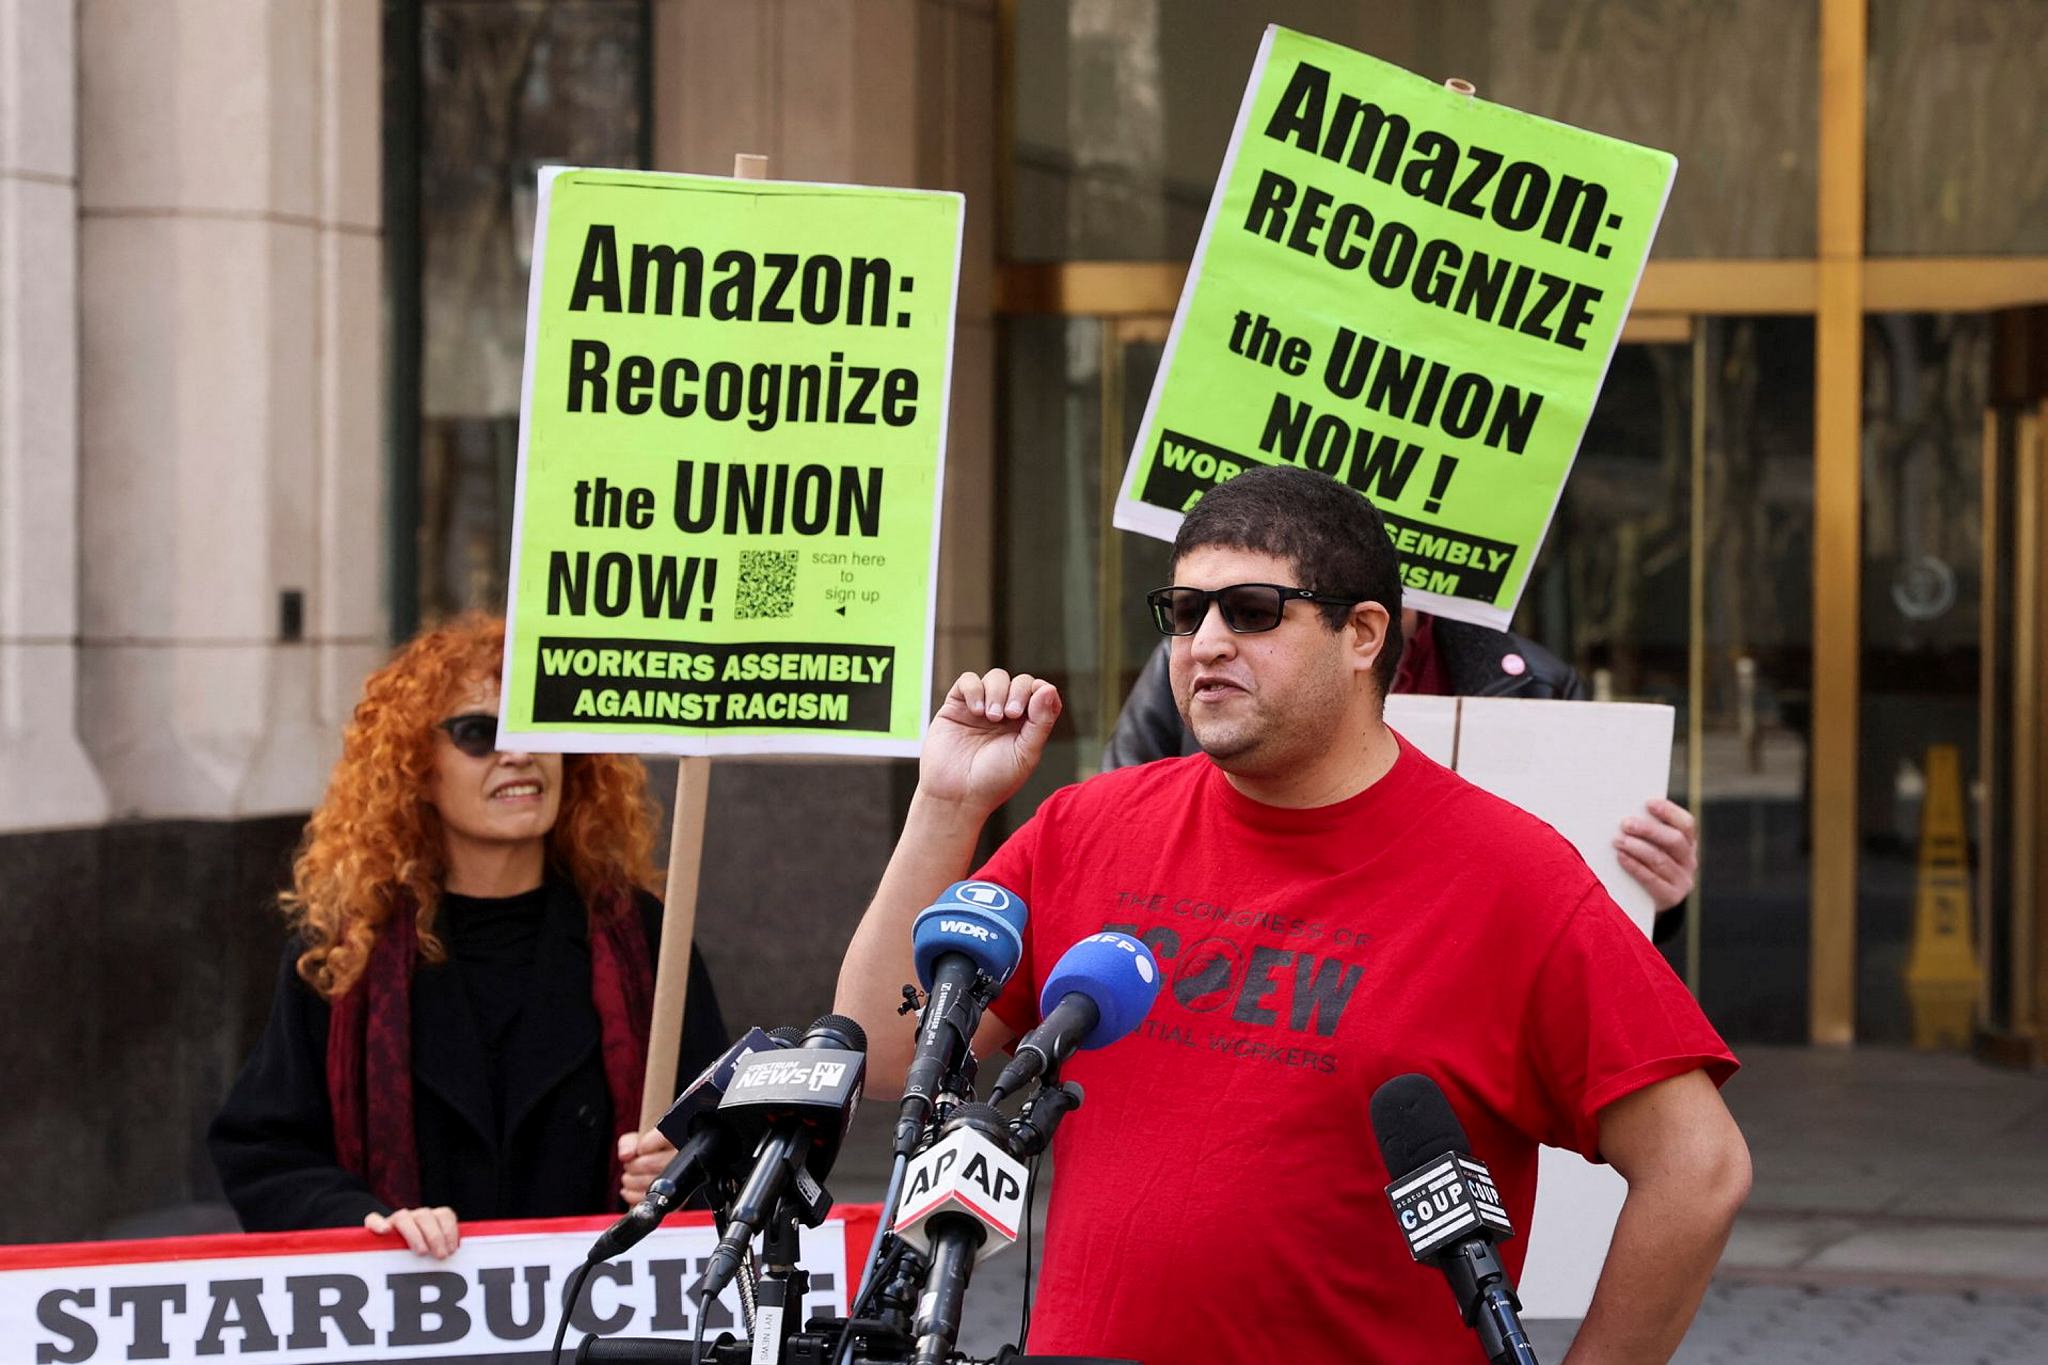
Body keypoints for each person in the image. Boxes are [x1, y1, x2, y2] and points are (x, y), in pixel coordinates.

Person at [836, 467, 1748, 1363]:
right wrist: (947, 807)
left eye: (1254, 610)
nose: (1206, 643)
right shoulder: (1089, 825)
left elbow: (1697, 1168)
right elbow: (883, 1049)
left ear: (1363, 633)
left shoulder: (1514, 874)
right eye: (1186, 613)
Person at [210, 614, 728, 1258]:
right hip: (415, 1330)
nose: (518, 753)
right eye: (479, 733)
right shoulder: (348, 953)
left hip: (594, 1319)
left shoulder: (643, 941)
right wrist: (366, 1220)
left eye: (537, 728)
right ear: (417, 770)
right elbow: (267, 1151)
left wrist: (680, 1172)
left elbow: (732, 1140)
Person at [1108, 608, 1701, 937]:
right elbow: (1116, 841)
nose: (1210, 641)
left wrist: (1654, 889)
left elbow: (1577, 890)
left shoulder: (1533, 680)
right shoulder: (1195, 657)